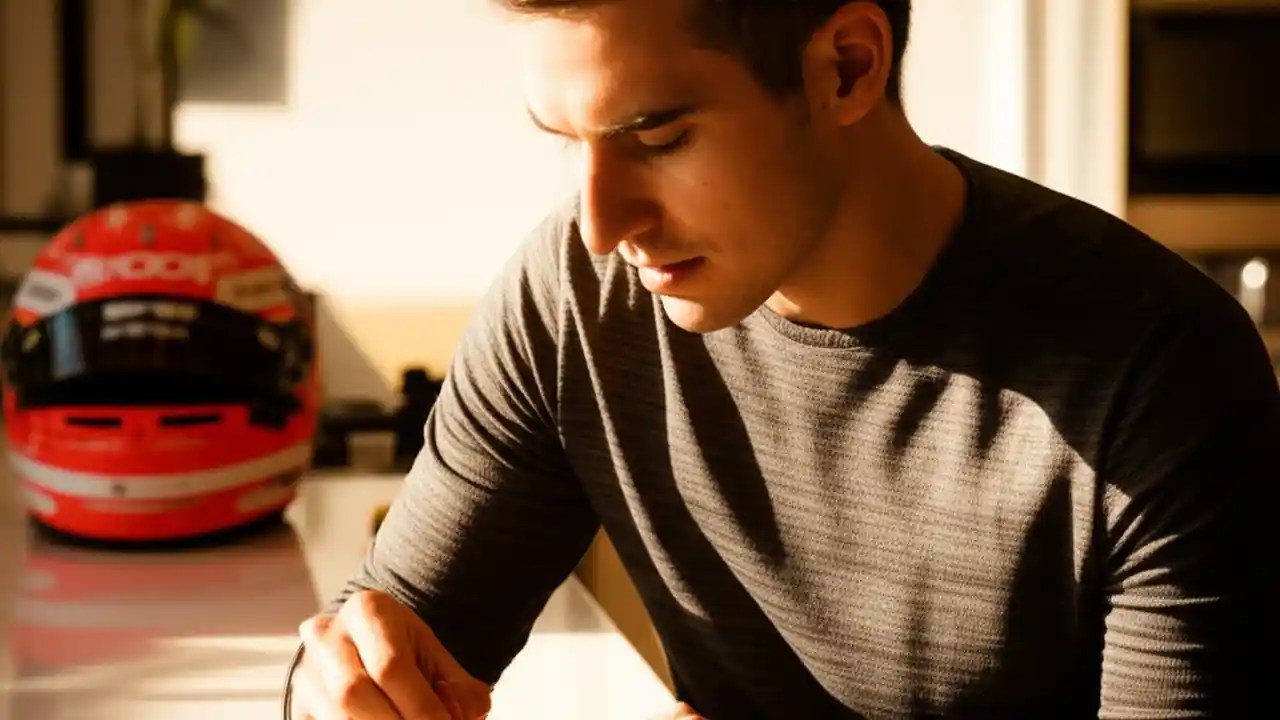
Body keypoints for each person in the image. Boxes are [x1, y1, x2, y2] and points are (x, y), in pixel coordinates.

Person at [287, 0, 1279, 717]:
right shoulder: (572, 302)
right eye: (565, 140)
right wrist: (344, 687)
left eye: (659, 137)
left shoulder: (1159, 371)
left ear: (845, 66)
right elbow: (384, 641)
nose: (598, 225)